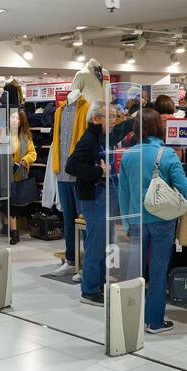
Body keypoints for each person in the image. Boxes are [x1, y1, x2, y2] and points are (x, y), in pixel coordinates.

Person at [117, 109, 187, 334]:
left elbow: (123, 192)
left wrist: (128, 224)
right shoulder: (167, 155)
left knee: (135, 270)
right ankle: (154, 322)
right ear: (159, 127)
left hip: (137, 219)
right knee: (158, 271)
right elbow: (184, 189)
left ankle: (131, 316)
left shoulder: (128, 155)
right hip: (162, 220)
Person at [65, 102, 111, 306]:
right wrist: (99, 172)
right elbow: (71, 165)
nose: (112, 120)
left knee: (101, 244)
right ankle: (90, 290)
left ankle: (98, 284)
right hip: (93, 196)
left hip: (99, 195)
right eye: (108, 117)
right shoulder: (89, 139)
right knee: (95, 244)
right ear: (96, 119)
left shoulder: (100, 138)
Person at [0, 106, 36, 245]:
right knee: (6, 202)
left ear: (21, 121)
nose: (14, 120)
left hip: (18, 175)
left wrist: (25, 160)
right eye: (12, 117)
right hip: (4, 174)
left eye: (17, 118)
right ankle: (11, 230)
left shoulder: (26, 136)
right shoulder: (2, 133)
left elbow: (32, 153)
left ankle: (11, 230)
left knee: (13, 204)